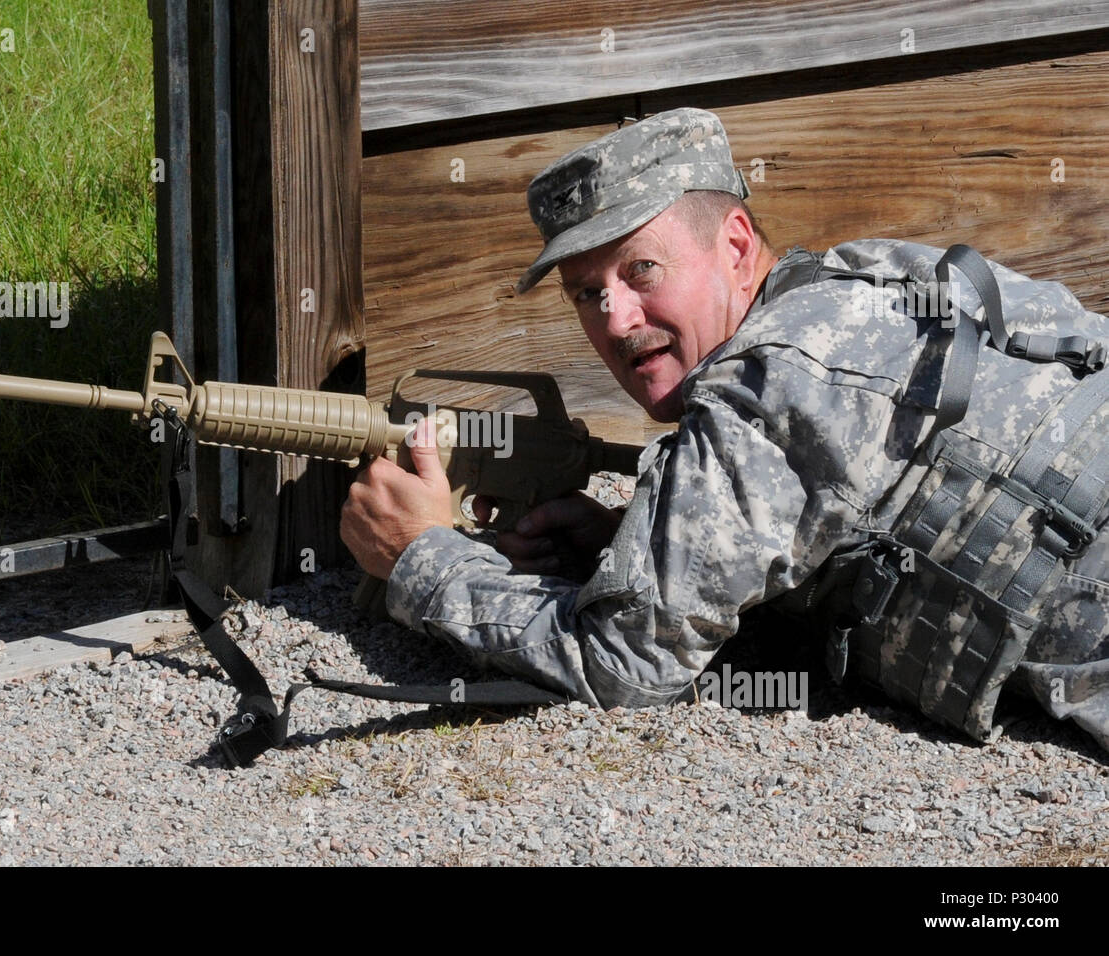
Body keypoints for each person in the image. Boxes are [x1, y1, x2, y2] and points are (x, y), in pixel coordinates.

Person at [339, 107, 1109, 753]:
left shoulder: (767, 385)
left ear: (736, 247)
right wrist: (631, 543)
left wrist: (421, 557)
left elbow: (623, 664)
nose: (615, 318)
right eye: (586, 294)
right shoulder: (868, 274)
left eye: (640, 270)